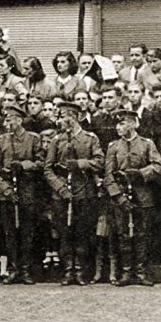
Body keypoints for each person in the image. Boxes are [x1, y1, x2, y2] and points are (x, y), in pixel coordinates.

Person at [44, 101, 104, 286]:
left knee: (82, 232)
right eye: (60, 116)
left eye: (64, 117)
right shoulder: (56, 140)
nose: (60, 121)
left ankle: (79, 270)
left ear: (75, 117)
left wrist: (80, 164)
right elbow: (48, 169)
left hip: (84, 190)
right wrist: (60, 188)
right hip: (61, 192)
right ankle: (68, 270)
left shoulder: (90, 138)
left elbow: (99, 161)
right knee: (64, 232)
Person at [104, 108, 161, 287]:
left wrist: (141, 173)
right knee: (123, 235)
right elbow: (108, 175)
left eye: (122, 123)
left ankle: (141, 272)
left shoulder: (147, 144)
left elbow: (159, 166)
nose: (118, 127)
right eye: (118, 123)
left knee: (142, 235)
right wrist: (118, 197)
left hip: (143, 196)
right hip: (121, 197)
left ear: (131, 124)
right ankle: (126, 272)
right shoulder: (113, 147)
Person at [0, 104, 44, 285]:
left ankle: (26, 269)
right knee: (9, 233)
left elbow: (41, 163)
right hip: (6, 193)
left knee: (27, 232)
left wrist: (24, 165)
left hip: (27, 191)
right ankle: (13, 269)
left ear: (19, 120)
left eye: (10, 119)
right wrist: (5, 189)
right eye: (5, 119)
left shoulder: (33, 139)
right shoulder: (0, 141)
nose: (7, 123)